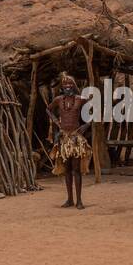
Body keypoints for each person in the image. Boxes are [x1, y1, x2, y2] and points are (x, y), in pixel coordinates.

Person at [46, 73, 92, 209]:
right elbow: (48, 110)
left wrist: (86, 124)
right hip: (64, 139)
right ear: (62, 87)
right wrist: (55, 121)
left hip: (76, 138)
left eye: (70, 84)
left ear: (74, 86)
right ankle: (69, 199)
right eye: (65, 84)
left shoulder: (80, 99)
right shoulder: (58, 100)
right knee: (67, 170)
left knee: (76, 170)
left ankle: (79, 201)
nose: (67, 86)